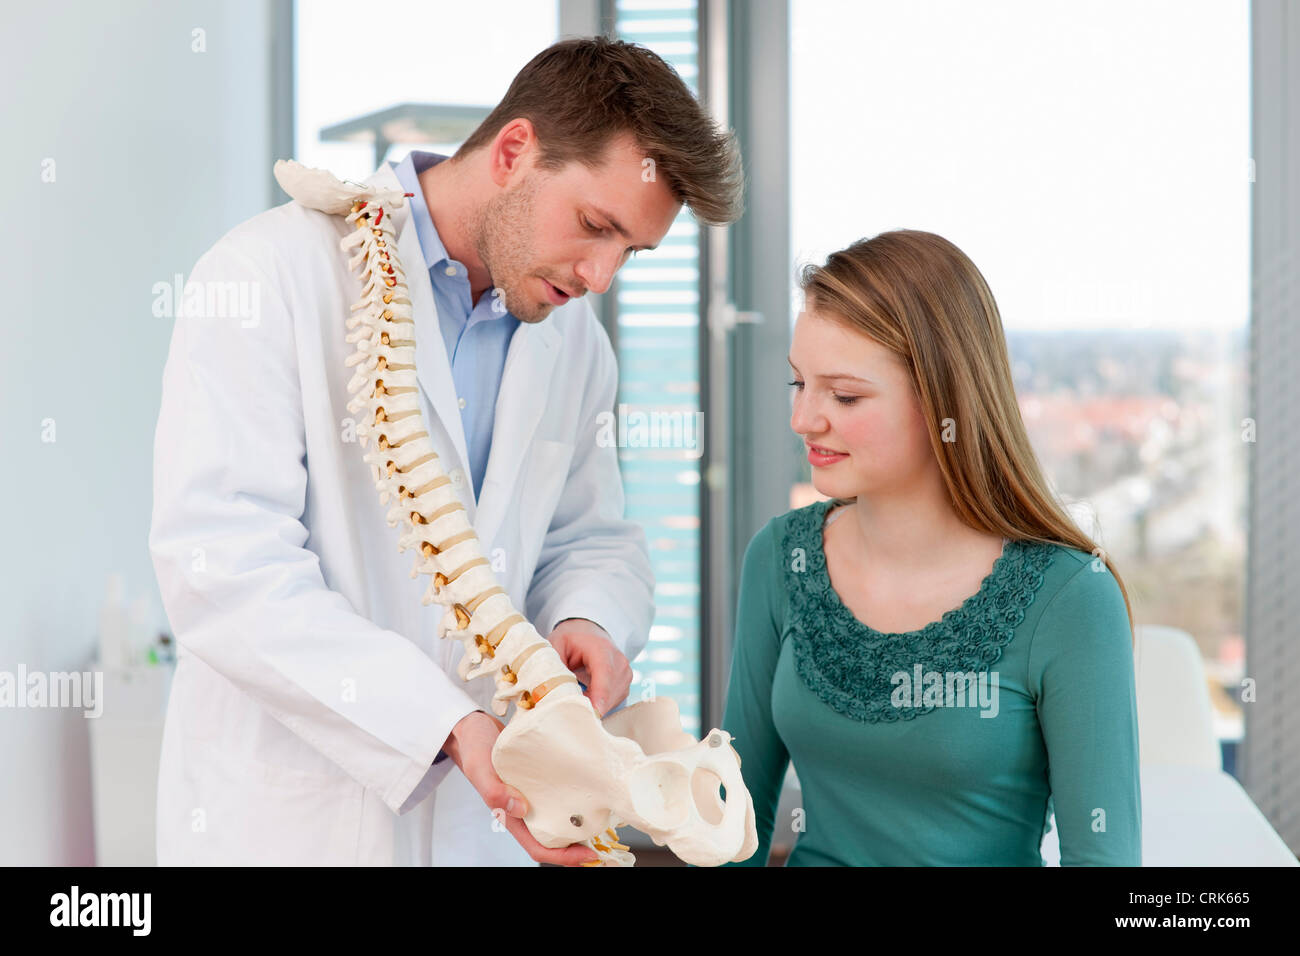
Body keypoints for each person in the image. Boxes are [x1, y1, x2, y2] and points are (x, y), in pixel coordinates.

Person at [148, 36, 743, 866]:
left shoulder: (572, 340)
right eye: (595, 227)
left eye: (630, 253)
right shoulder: (270, 275)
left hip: (483, 835)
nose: (602, 275)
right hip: (293, 826)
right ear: (513, 152)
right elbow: (221, 566)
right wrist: (442, 724)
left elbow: (589, 537)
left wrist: (586, 619)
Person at [723, 230, 1141, 866]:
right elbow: (732, 824)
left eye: (844, 395)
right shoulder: (780, 559)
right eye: (797, 384)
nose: (804, 419)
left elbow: (1103, 862)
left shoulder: (1072, 598)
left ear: (943, 398)